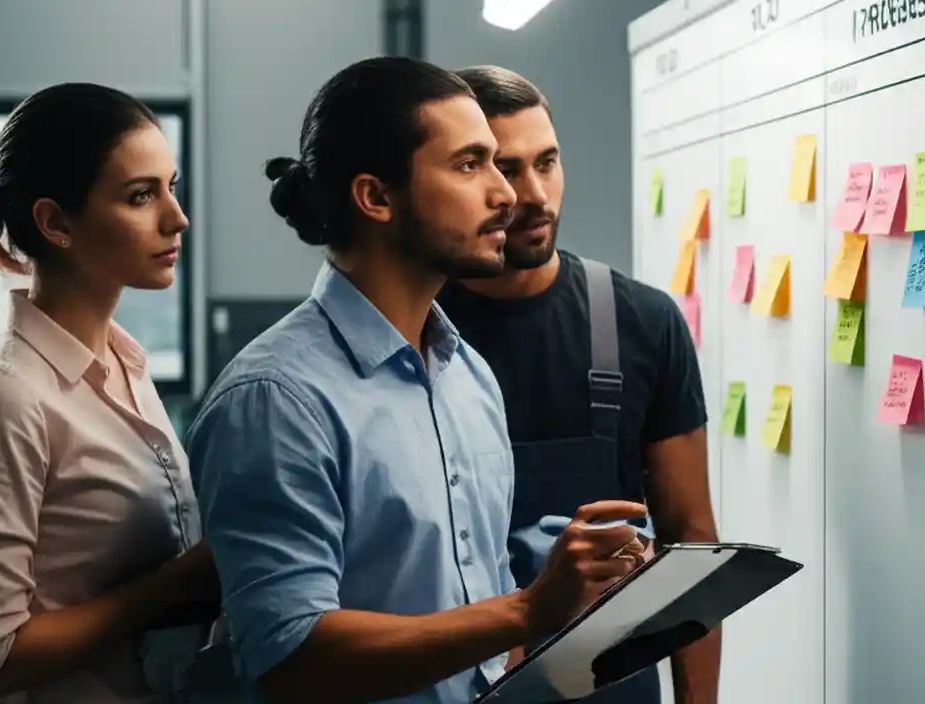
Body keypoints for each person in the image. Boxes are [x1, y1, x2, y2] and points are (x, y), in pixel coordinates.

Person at [183, 56, 649, 704]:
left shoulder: (467, 376)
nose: (508, 194)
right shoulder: (275, 400)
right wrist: (527, 611)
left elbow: (486, 627)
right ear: (375, 196)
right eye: (469, 165)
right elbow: (290, 659)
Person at [437, 65, 722, 702]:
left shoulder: (642, 323)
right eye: (508, 170)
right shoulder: (418, 335)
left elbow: (691, 541)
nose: (535, 194)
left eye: (548, 162)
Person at [0, 84, 220, 703]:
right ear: (55, 222)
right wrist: (175, 584)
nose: (176, 217)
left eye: (171, 186)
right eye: (141, 195)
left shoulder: (127, 362)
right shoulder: (7, 397)